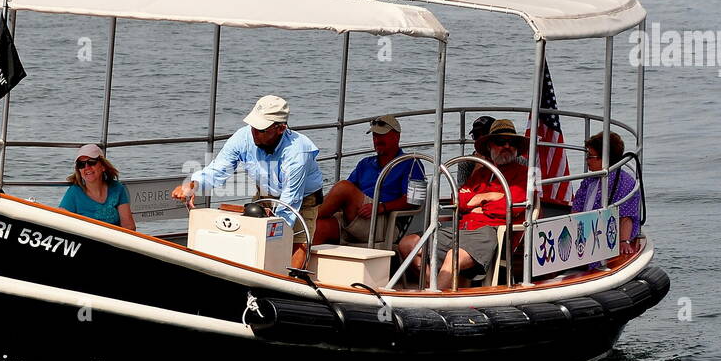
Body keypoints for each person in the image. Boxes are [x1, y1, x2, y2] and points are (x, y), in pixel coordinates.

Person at [172, 95, 323, 269]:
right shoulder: (242, 137)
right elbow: (217, 169)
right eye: (253, 126)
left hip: (302, 200)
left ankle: (292, 280)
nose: (254, 133)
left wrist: (273, 229)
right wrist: (192, 186)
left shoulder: (297, 153)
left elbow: (290, 201)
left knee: (294, 248)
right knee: (252, 242)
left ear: (280, 128)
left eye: (261, 129)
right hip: (265, 193)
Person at [397, 119, 530, 289]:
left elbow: (510, 207)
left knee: (453, 257)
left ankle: (435, 299)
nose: (507, 146)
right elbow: (458, 199)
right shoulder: (480, 173)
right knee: (407, 244)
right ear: (490, 146)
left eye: (511, 143)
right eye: (500, 142)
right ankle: (435, 287)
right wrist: (487, 197)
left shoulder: (523, 175)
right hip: (461, 228)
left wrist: (477, 202)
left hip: (490, 232)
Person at [312, 114, 424, 246]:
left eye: (382, 135)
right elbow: (341, 197)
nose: (377, 140)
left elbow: (415, 201)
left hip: (385, 221)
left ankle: (304, 218)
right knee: (318, 228)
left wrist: (381, 207)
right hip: (357, 216)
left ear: (396, 137)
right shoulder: (365, 163)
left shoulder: (411, 163)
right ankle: (299, 263)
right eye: (374, 136)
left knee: (343, 187)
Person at [572, 131, 641, 259]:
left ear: (605, 158)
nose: (587, 160)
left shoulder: (624, 182)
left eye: (590, 156)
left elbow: (626, 216)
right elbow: (577, 207)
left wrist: (624, 242)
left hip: (606, 237)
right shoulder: (589, 179)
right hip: (585, 234)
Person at [59, 143, 136, 229]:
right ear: (79, 170)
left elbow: (129, 227)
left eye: (91, 162)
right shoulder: (74, 193)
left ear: (103, 166)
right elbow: (60, 223)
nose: (87, 167)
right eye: (81, 164)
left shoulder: (117, 189)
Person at [455, 115, 497, 186]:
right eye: (476, 135)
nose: (480, 139)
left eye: (485, 134)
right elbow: (462, 191)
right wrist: (478, 165)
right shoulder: (466, 163)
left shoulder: (507, 158)